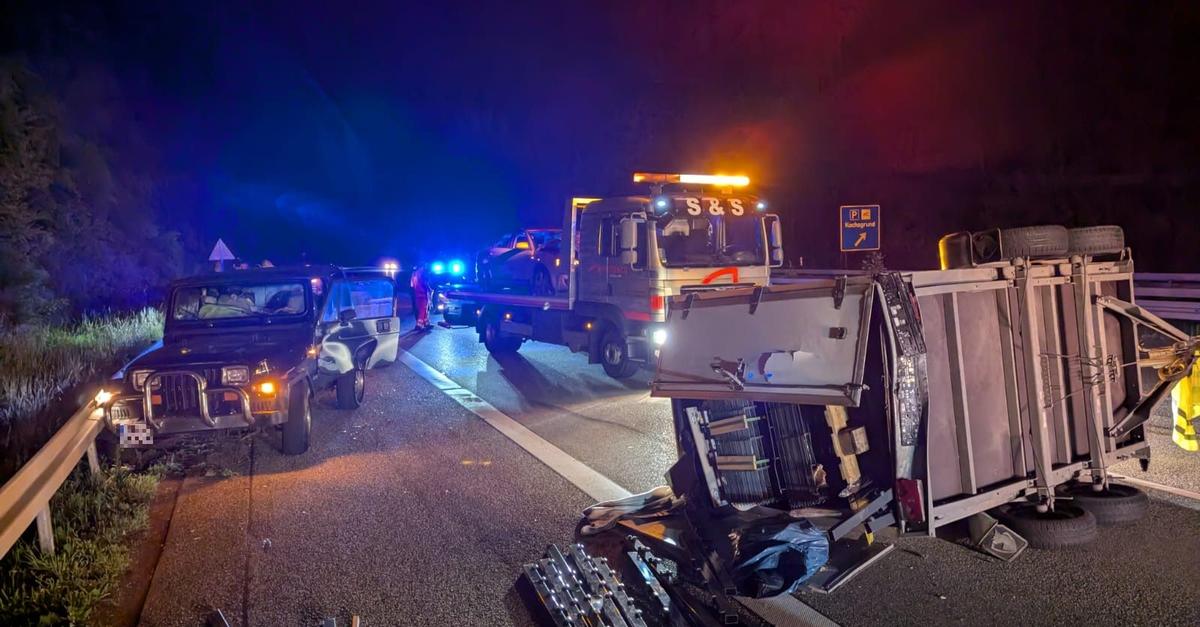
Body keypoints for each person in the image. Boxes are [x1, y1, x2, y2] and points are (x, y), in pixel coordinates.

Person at [410, 262, 433, 331]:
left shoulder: (414, 273)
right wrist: (429, 289)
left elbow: (412, 285)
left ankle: (426, 323)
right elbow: (424, 283)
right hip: (423, 293)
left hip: (416, 293)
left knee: (422, 309)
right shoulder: (422, 273)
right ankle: (419, 325)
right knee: (423, 309)